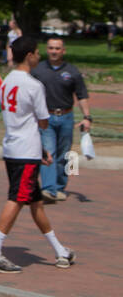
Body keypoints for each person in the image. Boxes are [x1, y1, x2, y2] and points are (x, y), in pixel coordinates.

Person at [0, 36, 74, 273]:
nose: (40, 56)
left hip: (14, 147)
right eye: (38, 52)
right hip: (25, 150)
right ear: (29, 55)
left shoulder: (6, 81)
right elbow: (43, 121)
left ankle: (60, 250)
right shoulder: (33, 85)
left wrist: (40, 149)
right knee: (17, 199)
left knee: (36, 202)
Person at [31, 36, 92, 203]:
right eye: (51, 48)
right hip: (46, 118)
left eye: (57, 48)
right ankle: (48, 189)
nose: (53, 51)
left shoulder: (72, 71)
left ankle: (59, 187)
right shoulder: (38, 70)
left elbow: (82, 95)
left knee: (65, 155)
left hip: (66, 117)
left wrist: (87, 117)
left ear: (63, 51)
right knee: (49, 151)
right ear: (47, 50)